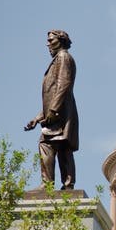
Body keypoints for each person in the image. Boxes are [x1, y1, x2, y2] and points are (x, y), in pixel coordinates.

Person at [24, 30, 79, 190]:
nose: (47, 44)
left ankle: (50, 184)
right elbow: (52, 93)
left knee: (48, 143)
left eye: (51, 40)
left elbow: (63, 84)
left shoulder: (63, 57)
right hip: (58, 111)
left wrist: (53, 110)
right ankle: (67, 185)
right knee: (62, 146)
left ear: (60, 41)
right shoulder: (58, 59)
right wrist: (37, 118)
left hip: (60, 113)